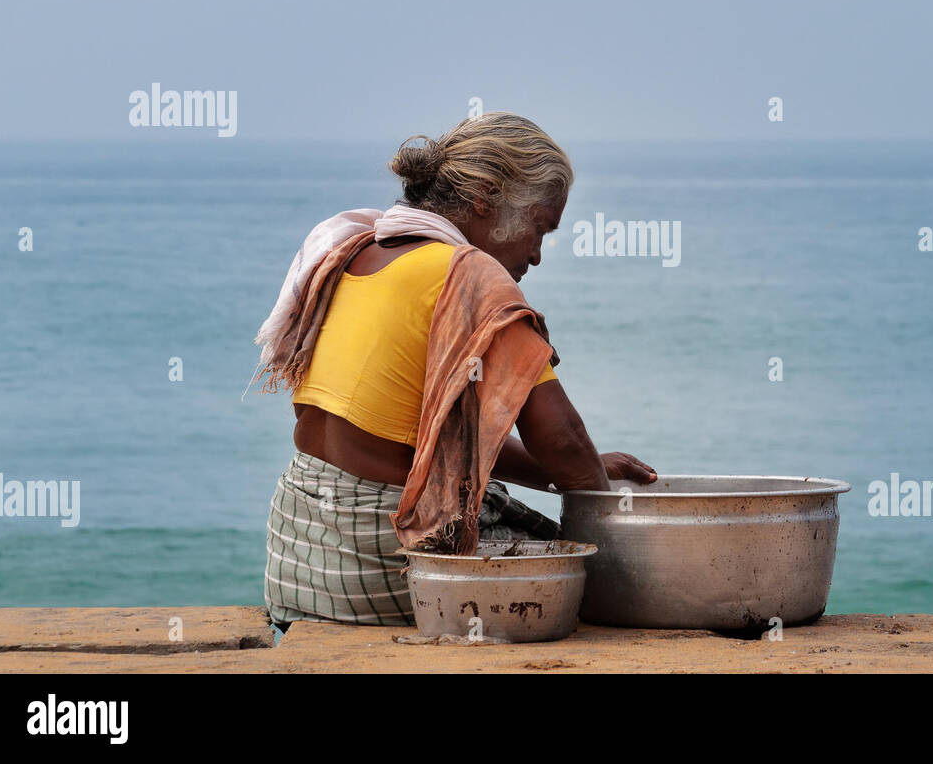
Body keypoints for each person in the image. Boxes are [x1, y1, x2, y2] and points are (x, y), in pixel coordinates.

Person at [250, 112, 655, 629]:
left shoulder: (354, 250)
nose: (536, 254)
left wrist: (570, 472)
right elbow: (562, 439)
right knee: (605, 587)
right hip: (388, 558)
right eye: (539, 227)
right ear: (487, 196)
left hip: (299, 551)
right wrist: (620, 526)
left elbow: (418, 445)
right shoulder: (470, 277)